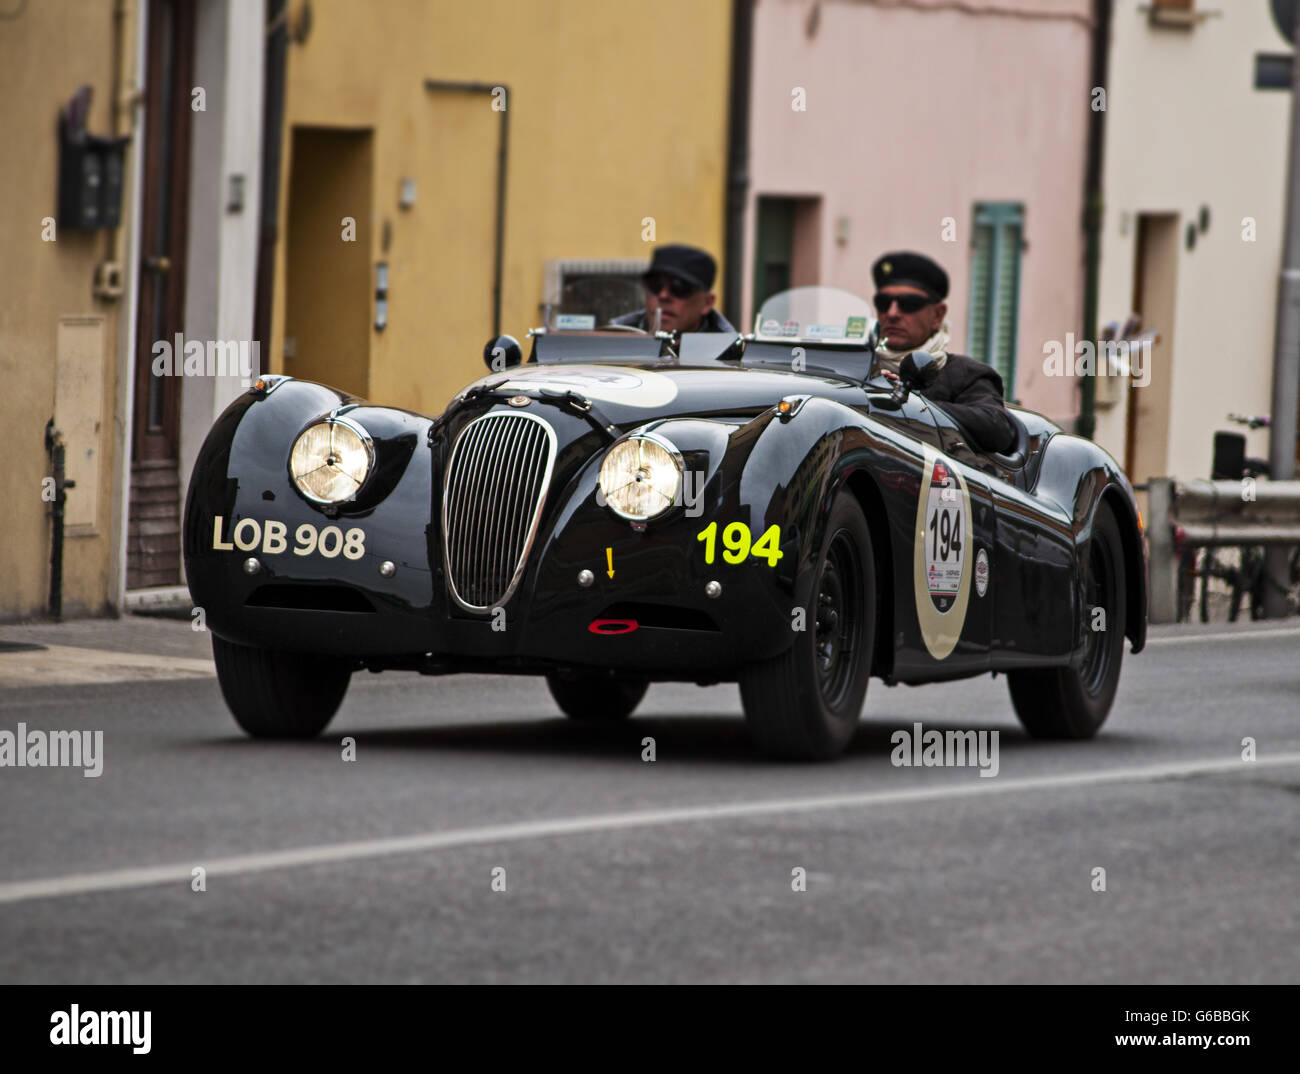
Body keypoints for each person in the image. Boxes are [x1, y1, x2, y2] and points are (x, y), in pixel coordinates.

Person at [870, 251, 1018, 454]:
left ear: (937, 315)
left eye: (909, 304)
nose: (892, 313)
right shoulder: (859, 365)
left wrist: (912, 404)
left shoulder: (967, 374)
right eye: (884, 303)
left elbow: (997, 428)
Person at [613, 244, 736, 333]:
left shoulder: (732, 357)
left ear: (707, 303)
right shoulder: (612, 340)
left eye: (679, 287)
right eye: (654, 285)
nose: (663, 295)